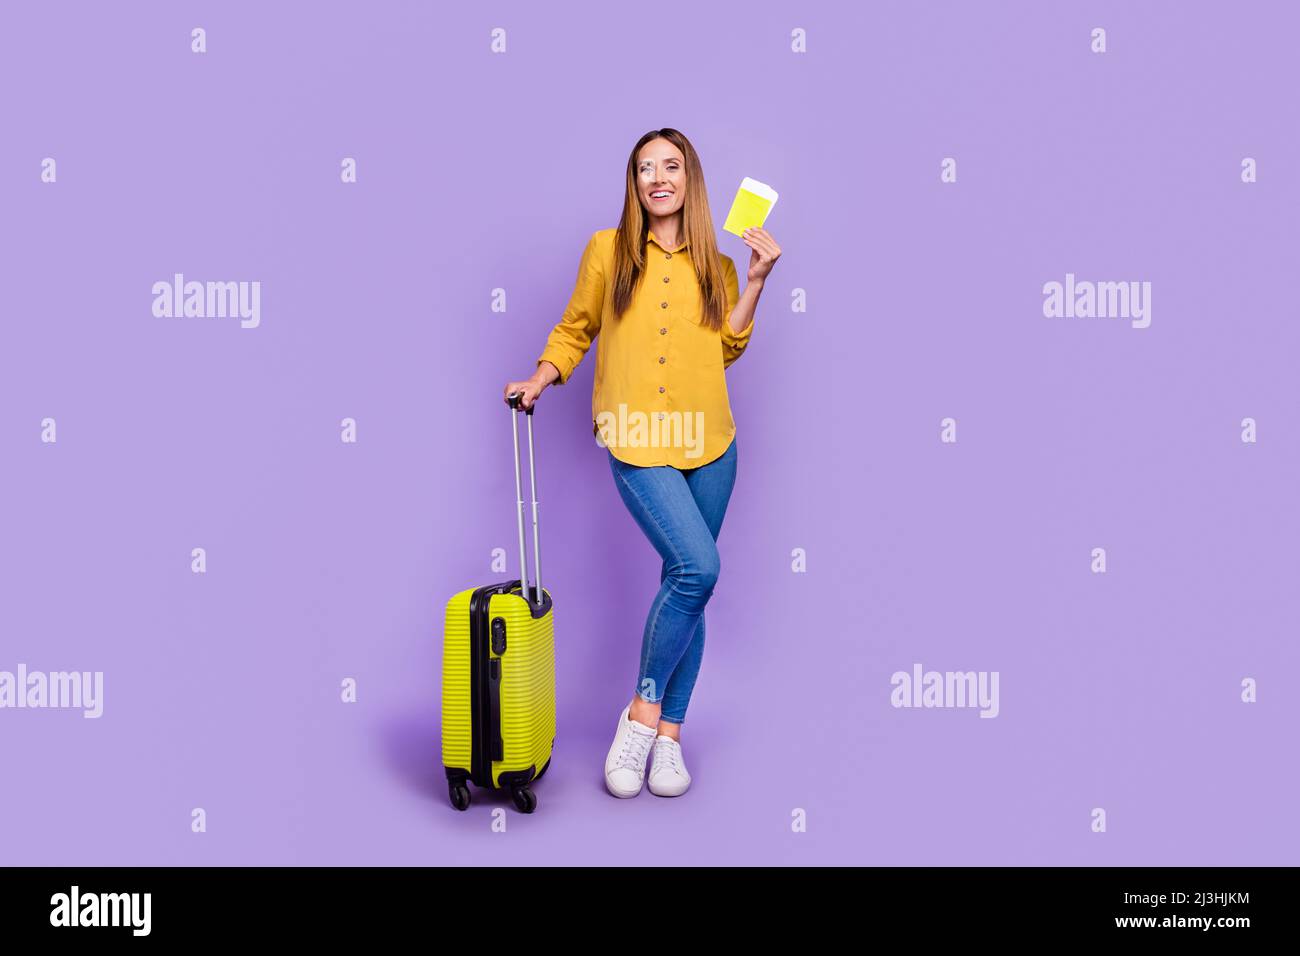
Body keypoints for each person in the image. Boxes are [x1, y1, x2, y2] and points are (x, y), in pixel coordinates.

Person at [503, 128, 782, 798]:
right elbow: (576, 327)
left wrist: (756, 282)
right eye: (645, 168)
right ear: (634, 183)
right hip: (634, 438)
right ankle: (640, 713)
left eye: (672, 166)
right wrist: (542, 378)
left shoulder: (715, 264)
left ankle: (669, 740)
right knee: (699, 568)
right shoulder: (608, 251)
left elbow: (726, 351)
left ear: (691, 179)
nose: (659, 177)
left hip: (713, 444)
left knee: (690, 586)